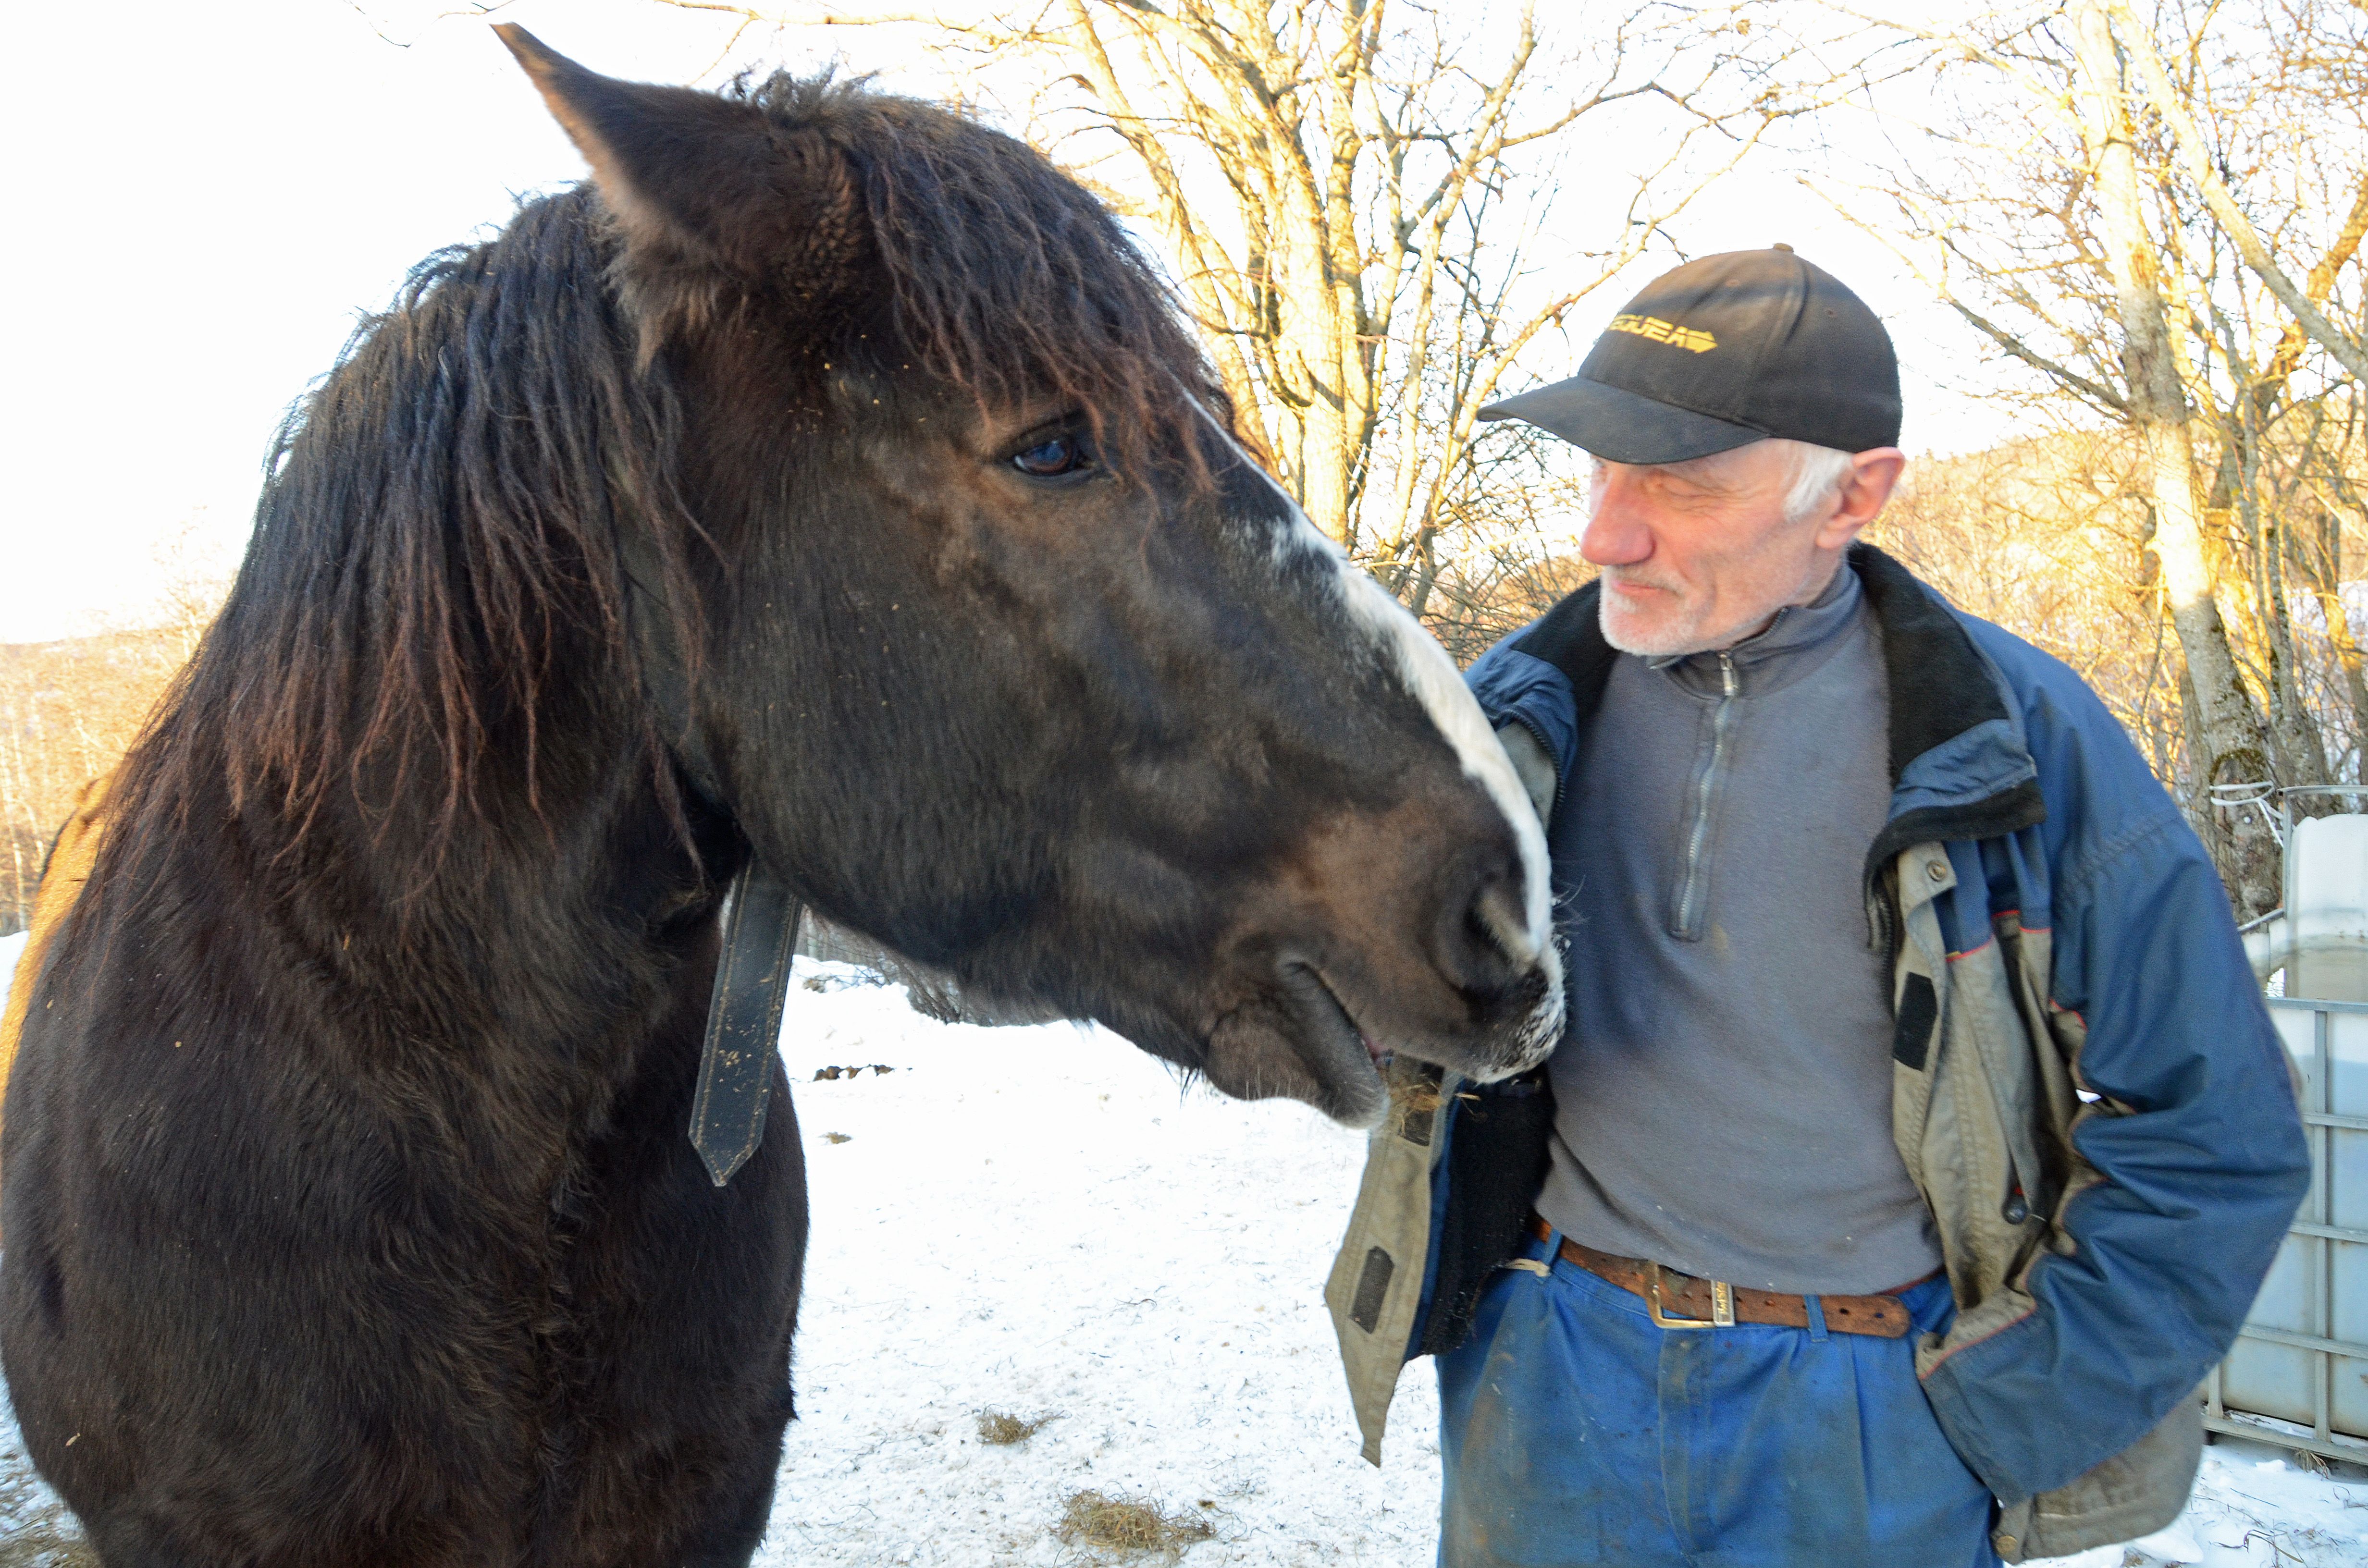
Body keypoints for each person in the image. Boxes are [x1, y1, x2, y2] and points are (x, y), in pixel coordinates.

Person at [1323, 247, 2310, 1568]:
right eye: (1602, 470)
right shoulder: (1509, 718)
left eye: (1676, 480)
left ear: (1855, 492)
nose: (1605, 532)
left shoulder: (2015, 750)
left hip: (1866, 1407)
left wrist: (2004, 1411)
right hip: (1548, 1370)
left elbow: (2218, 1133)